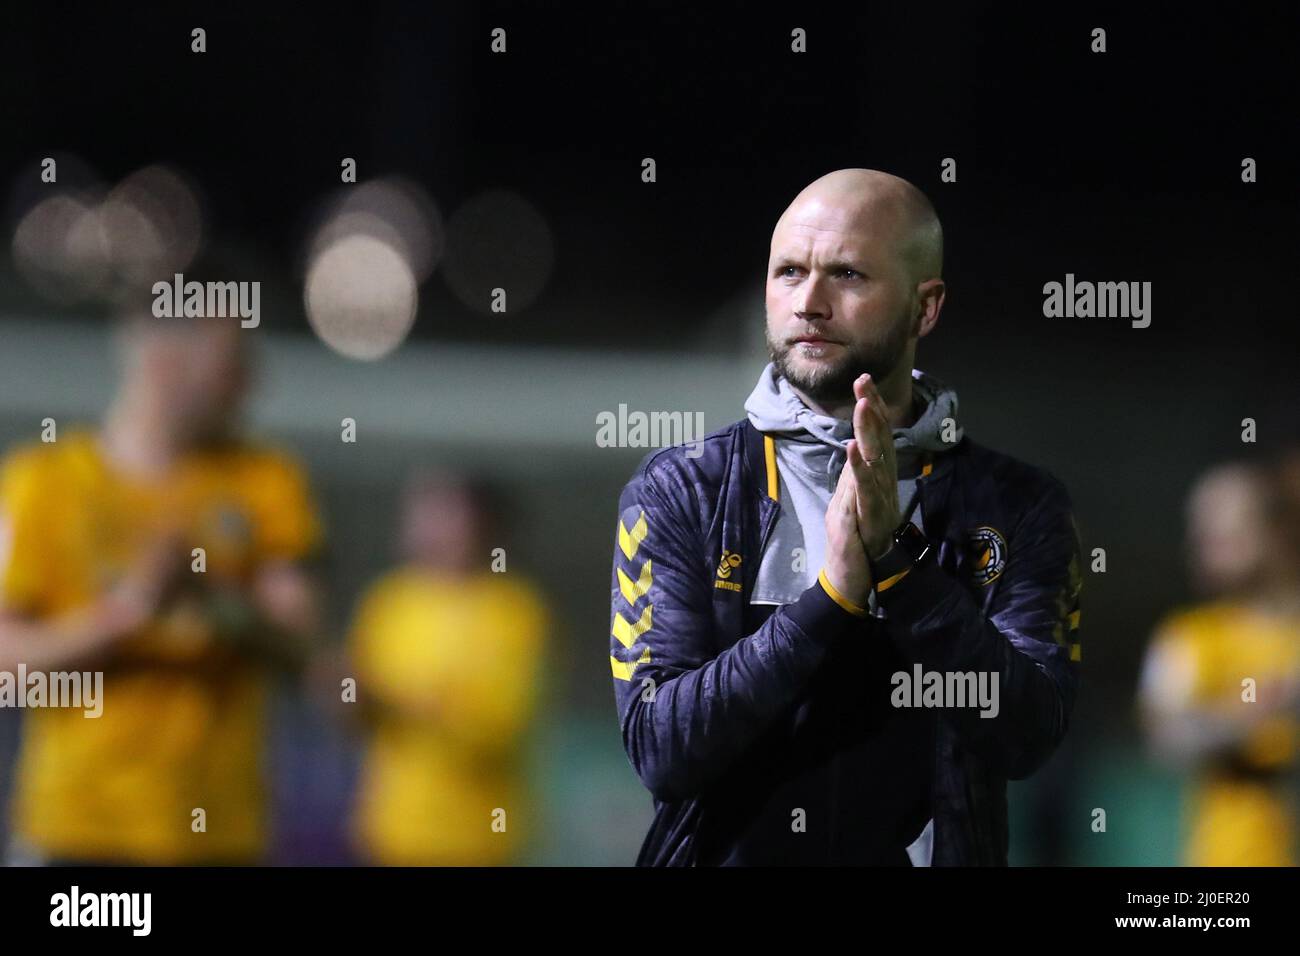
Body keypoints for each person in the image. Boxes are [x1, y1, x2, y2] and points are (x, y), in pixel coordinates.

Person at [608, 168, 1082, 865]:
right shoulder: (684, 490)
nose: (809, 302)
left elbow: (1026, 735)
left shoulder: (1016, 504)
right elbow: (662, 750)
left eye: (849, 275)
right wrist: (829, 602)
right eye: (789, 271)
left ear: (926, 308)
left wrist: (899, 567)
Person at [0, 314, 323, 865]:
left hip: (219, 834)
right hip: (79, 831)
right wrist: (130, 610)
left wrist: (212, 601)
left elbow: (304, 648)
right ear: (163, 361)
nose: (249, 386)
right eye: (232, 366)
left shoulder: (264, 479)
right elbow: (8, 671)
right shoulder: (43, 480)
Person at [344, 471, 548, 865]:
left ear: (482, 525)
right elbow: (358, 719)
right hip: (392, 831)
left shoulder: (514, 612)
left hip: (476, 838)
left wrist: (399, 701)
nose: (425, 526)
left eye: (442, 514)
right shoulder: (387, 603)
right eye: (420, 513)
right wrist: (346, 696)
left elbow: (500, 724)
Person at [1139, 460, 1300, 865]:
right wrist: (1253, 713)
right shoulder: (1190, 636)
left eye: (1226, 527)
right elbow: (1164, 736)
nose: (1204, 540)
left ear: (1275, 529)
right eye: (1200, 527)